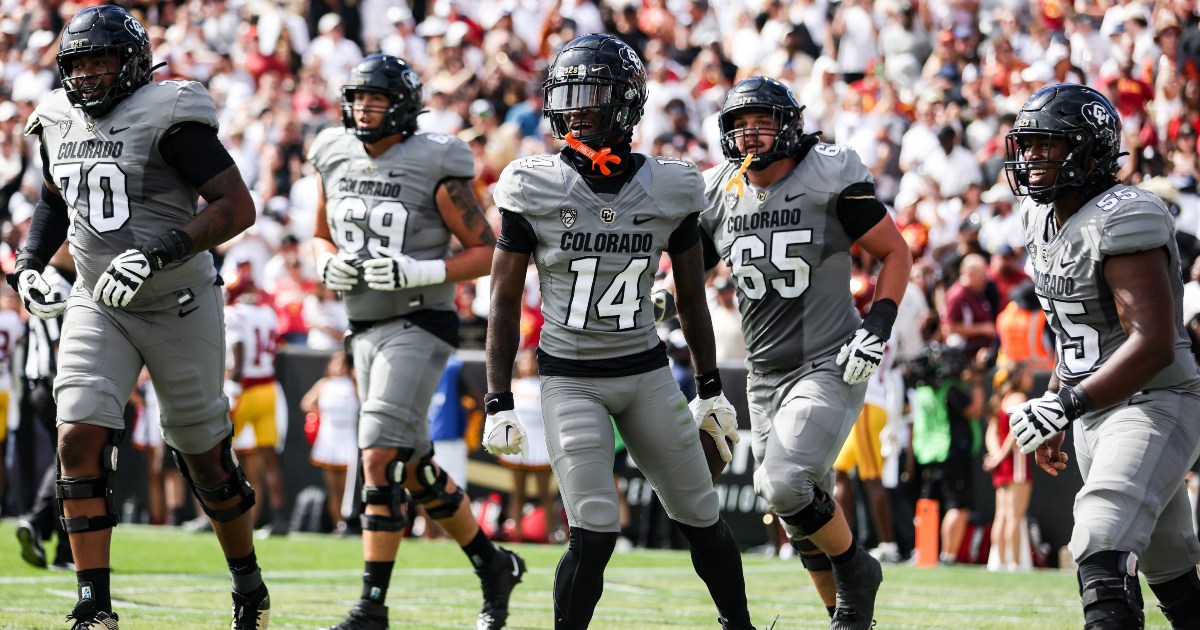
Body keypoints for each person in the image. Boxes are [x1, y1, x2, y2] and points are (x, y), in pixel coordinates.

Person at [7, 5, 267, 628]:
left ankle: (248, 585)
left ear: (132, 63)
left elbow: (237, 205)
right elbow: (54, 198)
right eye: (78, 64)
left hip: (178, 300)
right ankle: (93, 604)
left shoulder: (169, 114)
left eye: (101, 61)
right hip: (99, 300)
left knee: (202, 452)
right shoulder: (57, 118)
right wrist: (29, 264)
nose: (88, 75)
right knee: (77, 435)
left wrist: (157, 252)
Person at [483, 34, 755, 630]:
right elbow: (503, 298)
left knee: (702, 514)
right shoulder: (532, 183)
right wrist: (498, 398)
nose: (576, 109)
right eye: (569, 94)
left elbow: (690, 296)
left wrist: (710, 388)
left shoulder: (671, 185)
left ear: (626, 103)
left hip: (646, 372)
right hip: (570, 378)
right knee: (596, 526)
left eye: (591, 94)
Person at [307, 53, 518, 630]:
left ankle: (371, 607)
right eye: (357, 98)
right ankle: (493, 564)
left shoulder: (434, 159)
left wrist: (420, 271)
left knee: (378, 453)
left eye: (375, 98)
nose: (363, 109)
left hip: (420, 321)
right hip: (362, 326)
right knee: (413, 466)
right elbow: (320, 235)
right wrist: (324, 263)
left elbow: (486, 251)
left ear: (402, 105)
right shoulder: (333, 152)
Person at [698, 76, 913, 628]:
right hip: (763, 375)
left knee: (782, 483)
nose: (750, 135)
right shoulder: (720, 190)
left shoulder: (827, 173)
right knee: (795, 509)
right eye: (740, 125)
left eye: (762, 122)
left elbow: (895, 252)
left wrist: (878, 326)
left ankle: (858, 570)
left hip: (828, 360)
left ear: (790, 126)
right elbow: (689, 271)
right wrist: (658, 295)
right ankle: (845, 617)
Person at [1004, 83, 1200, 629]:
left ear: (1090, 151)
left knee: (1100, 540)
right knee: (1169, 570)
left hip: (1153, 401)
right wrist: (1056, 401)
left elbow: (1153, 342)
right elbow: (1077, 330)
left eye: (1048, 144)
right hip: (1095, 409)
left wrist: (1064, 405)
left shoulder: (1123, 214)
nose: (1032, 157)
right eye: (1028, 144)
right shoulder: (1039, 216)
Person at [15, 245, 74, 570]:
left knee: (64, 459)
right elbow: (60, 346)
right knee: (71, 460)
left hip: (37, 383)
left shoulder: (48, 278)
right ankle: (56, 539)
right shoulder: (56, 283)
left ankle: (42, 529)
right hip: (54, 383)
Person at [224, 273, 288, 536]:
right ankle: (279, 519)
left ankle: (218, 516)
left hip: (246, 389)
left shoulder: (234, 313)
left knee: (219, 455)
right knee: (270, 460)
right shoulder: (268, 313)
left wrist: (233, 392)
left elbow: (238, 357)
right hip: (268, 389)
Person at [983, 361, 1034, 572]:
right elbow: (1015, 432)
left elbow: (991, 433)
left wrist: (995, 457)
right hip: (1016, 464)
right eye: (1027, 374)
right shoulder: (1019, 398)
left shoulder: (1000, 399)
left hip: (1002, 465)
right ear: (1018, 376)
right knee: (1015, 517)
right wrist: (1003, 455)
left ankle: (1000, 562)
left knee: (1002, 516)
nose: (1031, 378)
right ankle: (1015, 564)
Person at [301, 351, 359, 534]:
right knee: (332, 486)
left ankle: (346, 519)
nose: (339, 367)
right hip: (329, 435)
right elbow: (306, 403)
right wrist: (320, 416)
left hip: (347, 434)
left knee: (346, 485)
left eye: (343, 363)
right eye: (335, 363)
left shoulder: (353, 384)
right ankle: (337, 523)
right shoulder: (324, 384)